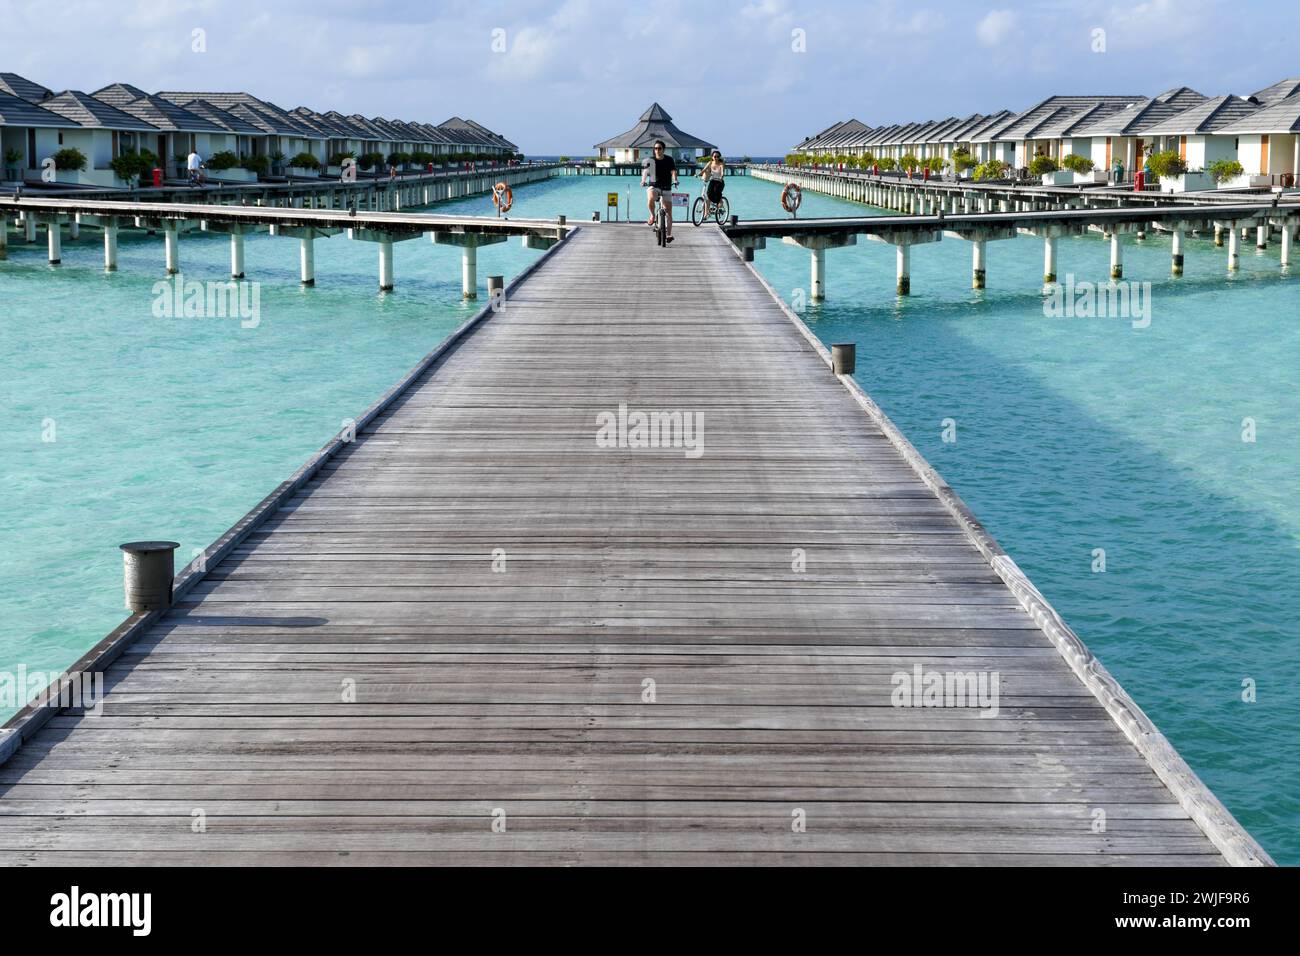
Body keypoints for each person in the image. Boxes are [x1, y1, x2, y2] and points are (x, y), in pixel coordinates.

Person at [641, 140, 678, 242]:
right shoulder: (651, 160)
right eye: (656, 148)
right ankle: (652, 215)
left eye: (659, 148)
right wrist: (643, 181)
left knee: (669, 212)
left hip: (666, 186)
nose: (657, 150)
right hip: (654, 185)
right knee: (651, 196)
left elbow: (673, 171)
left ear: (663, 149)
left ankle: (669, 235)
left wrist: (675, 180)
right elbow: (645, 172)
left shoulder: (669, 160)